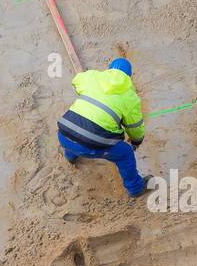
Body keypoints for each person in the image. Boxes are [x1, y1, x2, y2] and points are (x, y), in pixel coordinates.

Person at [56, 57, 151, 197]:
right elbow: (135, 126)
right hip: (92, 143)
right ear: (129, 76)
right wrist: (136, 141)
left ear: (109, 69)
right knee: (125, 154)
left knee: (75, 133)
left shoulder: (93, 76)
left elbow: (76, 81)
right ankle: (136, 189)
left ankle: (70, 157)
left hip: (63, 135)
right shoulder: (130, 97)